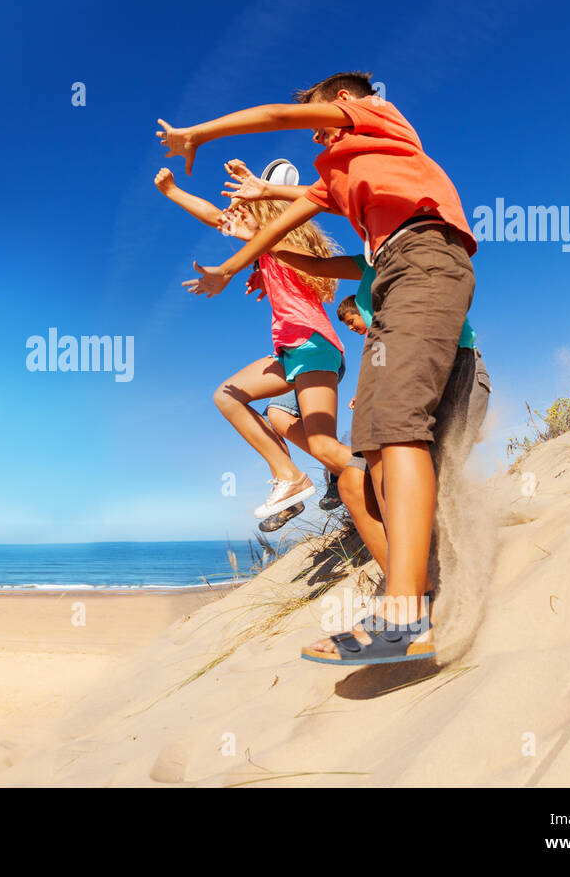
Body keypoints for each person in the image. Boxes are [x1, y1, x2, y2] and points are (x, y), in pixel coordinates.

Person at [159, 70, 477, 664]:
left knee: (397, 427)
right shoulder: (337, 180)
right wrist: (230, 268)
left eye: (318, 119)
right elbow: (278, 228)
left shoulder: (380, 116)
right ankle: (409, 597)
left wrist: (198, 134)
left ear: (344, 102)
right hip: (393, 277)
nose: (313, 135)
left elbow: (280, 117)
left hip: (423, 257)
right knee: (377, 438)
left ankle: (406, 616)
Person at [154, 165, 351, 521]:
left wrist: (252, 244)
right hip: (293, 350)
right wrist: (173, 192)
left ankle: (356, 469)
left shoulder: (284, 234)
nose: (241, 205)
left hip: (313, 345)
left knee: (323, 442)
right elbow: (219, 219)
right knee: (230, 396)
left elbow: (250, 231)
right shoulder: (267, 245)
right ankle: (290, 476)